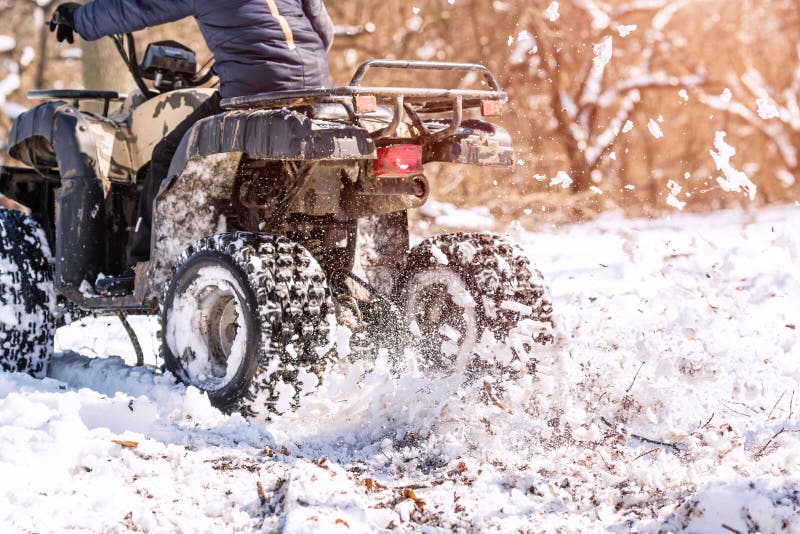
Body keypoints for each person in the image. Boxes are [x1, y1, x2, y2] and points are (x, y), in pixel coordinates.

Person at [49, 0, 334, 295]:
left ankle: (141, 269)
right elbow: (324, 30)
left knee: (165, 155)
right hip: (316, 90)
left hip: (251, 93)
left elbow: (139, 7)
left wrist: (80, 19)